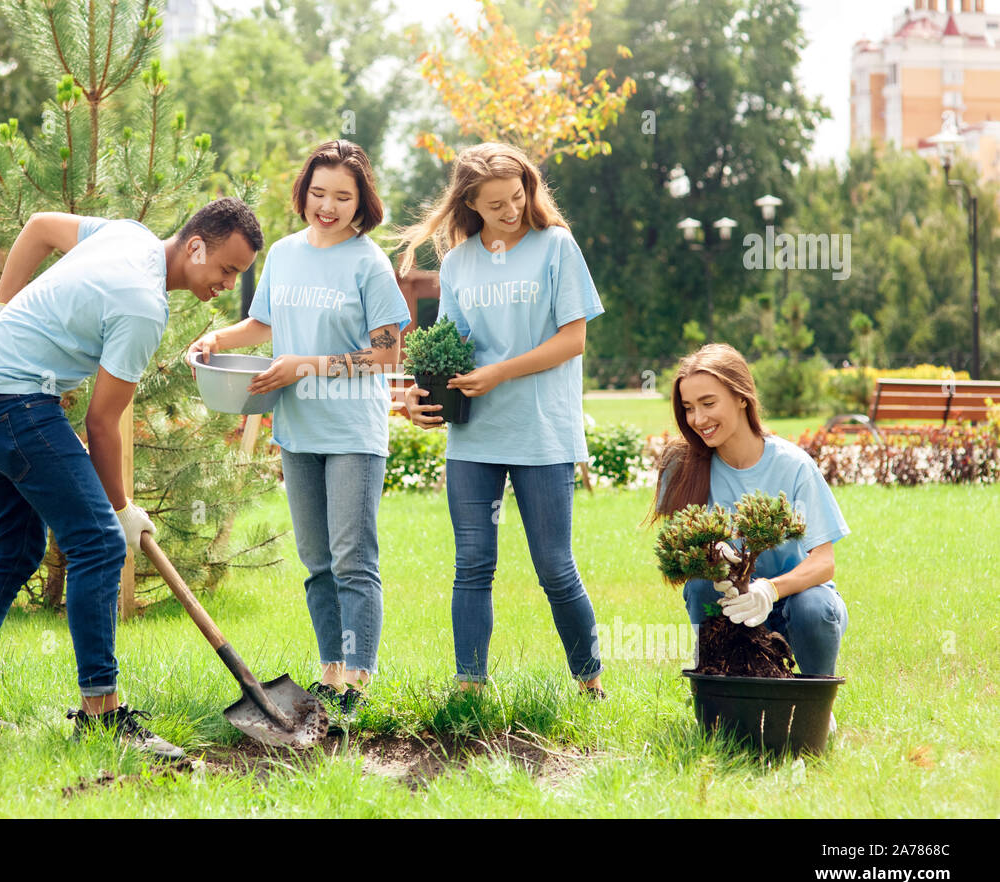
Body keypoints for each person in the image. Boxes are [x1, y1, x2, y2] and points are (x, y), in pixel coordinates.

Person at [0, 198, 263, 761]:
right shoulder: (142, 306)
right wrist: (122, 510)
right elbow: (102, 422)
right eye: (226, 270)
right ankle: (101, 716)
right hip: (14, 400)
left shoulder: (130, 236)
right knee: (100, 544)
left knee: (16, 547)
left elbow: (37, 227)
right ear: (196, 246)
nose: (228, 285)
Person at [188, 140, 409, 717]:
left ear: (362, 201)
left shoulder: (369, 262)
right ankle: (329, 673)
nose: (327, 206)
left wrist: (307, 365)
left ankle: (358, 682)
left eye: (342, 196)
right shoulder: (283, 254)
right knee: (316, 563)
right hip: (297, 426)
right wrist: (217, 338)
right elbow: (265, 323)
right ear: (303, 192)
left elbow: (388, 353)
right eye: (318, 193)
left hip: (352, 430)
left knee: (352, 559)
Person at [398, 142, 605, 697]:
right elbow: (450, 347)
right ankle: (469, 689)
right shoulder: (460, 260)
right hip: (475, 435)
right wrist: (421, 395)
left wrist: (499, 374)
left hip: (541, 432)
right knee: (472, 565)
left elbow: (574, 339)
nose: (510, 211)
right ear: (470, 203)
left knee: (555, 568)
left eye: (516, 197)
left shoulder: (556, 246)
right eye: (494, 205)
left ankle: (590, 683)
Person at [651, 343, 850, 680]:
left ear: (742, 397)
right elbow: (683, 556)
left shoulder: (793, 466)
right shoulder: (683, 466)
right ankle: (717, 688)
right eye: (688, 408)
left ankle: (818, 700)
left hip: (792, 607)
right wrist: (714, 558)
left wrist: (768, 590)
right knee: (701, 585)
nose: (698, 419)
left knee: (814, 606)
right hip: (729, 604)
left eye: (708, 403)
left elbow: (824, 562)